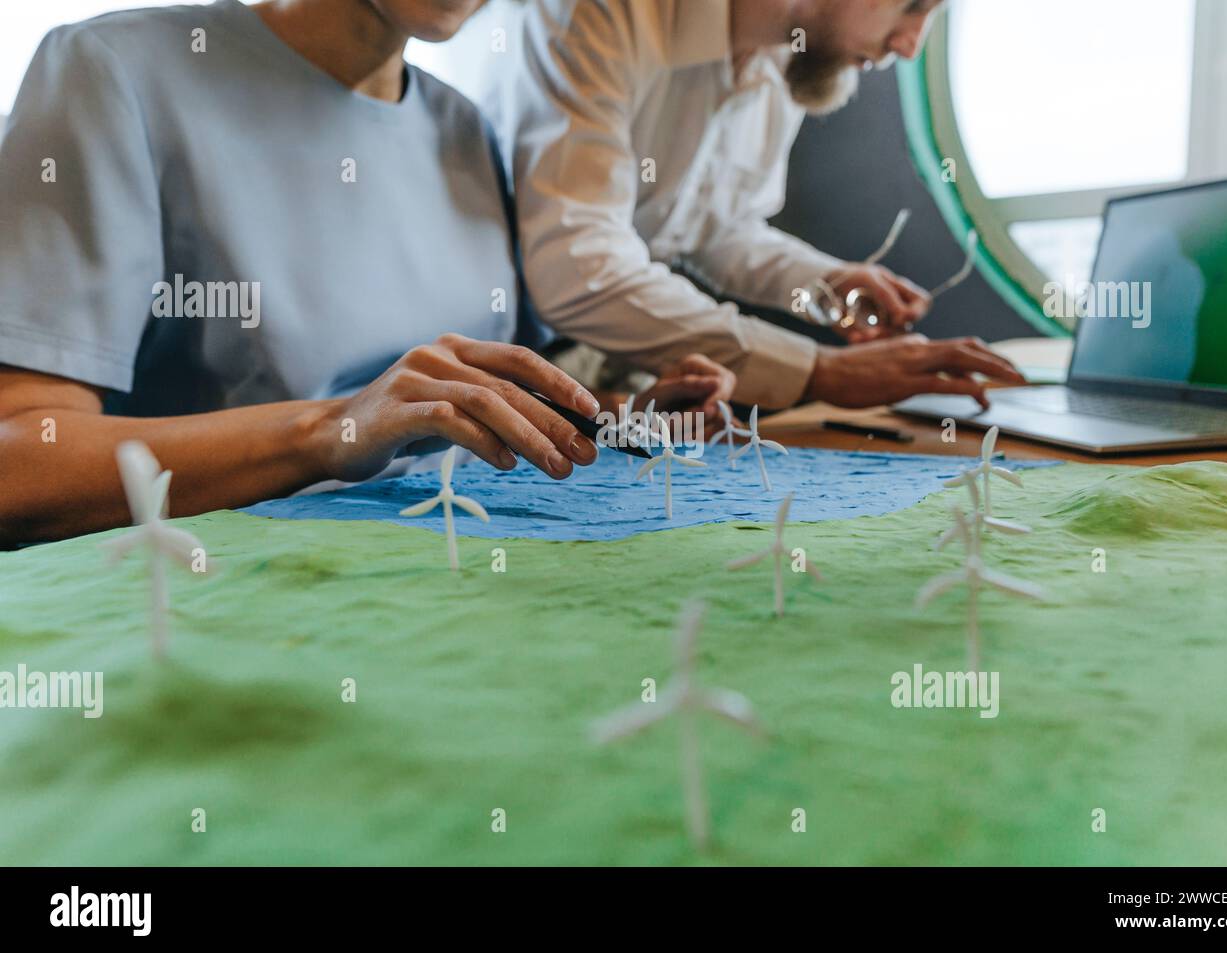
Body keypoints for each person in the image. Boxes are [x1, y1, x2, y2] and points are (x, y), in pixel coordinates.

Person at [0, 0, 731, 545]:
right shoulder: (111, 72)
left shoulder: (464, 128)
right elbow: (21, 465)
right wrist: (328, 429)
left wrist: (615, 420)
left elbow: (450, 400)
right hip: (230, 606)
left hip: (461, 585)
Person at [499, 0, 1026, 410]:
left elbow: (718, 232)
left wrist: (825, 284)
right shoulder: (592, 20)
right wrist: (818, 371)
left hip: (628, 360)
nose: (912, 45)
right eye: (913, 4)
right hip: (514, 372)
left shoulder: (784, 57)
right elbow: (578, 269)